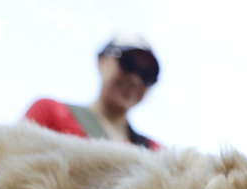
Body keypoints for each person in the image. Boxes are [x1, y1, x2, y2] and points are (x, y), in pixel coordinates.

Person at [24, 35, 161, 149]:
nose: (135, 80)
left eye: (147, 75)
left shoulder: (155, 152)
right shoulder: (50, 112)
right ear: (101, 61)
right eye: (128, 64)